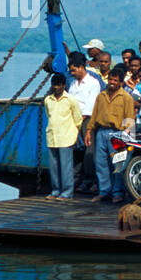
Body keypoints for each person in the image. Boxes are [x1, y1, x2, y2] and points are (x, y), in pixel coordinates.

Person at [84, 64, 137, 203]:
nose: (112, 83)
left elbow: (130, 118)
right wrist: (89, 131)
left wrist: (126, 134)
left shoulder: (126, 97)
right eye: (110, 80)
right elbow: (94, 114)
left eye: (115, 80)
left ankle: (118, 193)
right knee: (101, 164)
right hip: (101, 132)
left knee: (118, 165)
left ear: (120, 82)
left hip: (118, 133)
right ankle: (104, 191)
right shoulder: (101, 96)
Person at [65, 52, 102, 193]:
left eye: (74, 70)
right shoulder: (73, 84)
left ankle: (90, 180)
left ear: (81, 67)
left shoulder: (93, 83)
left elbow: (90, 106)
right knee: (76, 150)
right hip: (73, 120)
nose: (72, 73)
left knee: (89, 151)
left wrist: (84, 125)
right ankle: (76, 179)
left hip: (87, 120)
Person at [44, 72, 82, 200]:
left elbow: (78, 119)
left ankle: (67, 192)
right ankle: (55, 190)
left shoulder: (70, 100)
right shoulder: (48, 100)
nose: (56, 87)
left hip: (66, 136)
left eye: (58, 85)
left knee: (66, 167)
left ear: (64, 85)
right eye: (54, 85)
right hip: (52, 136)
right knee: (54, 167)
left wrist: (75, 134)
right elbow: (49, 115)